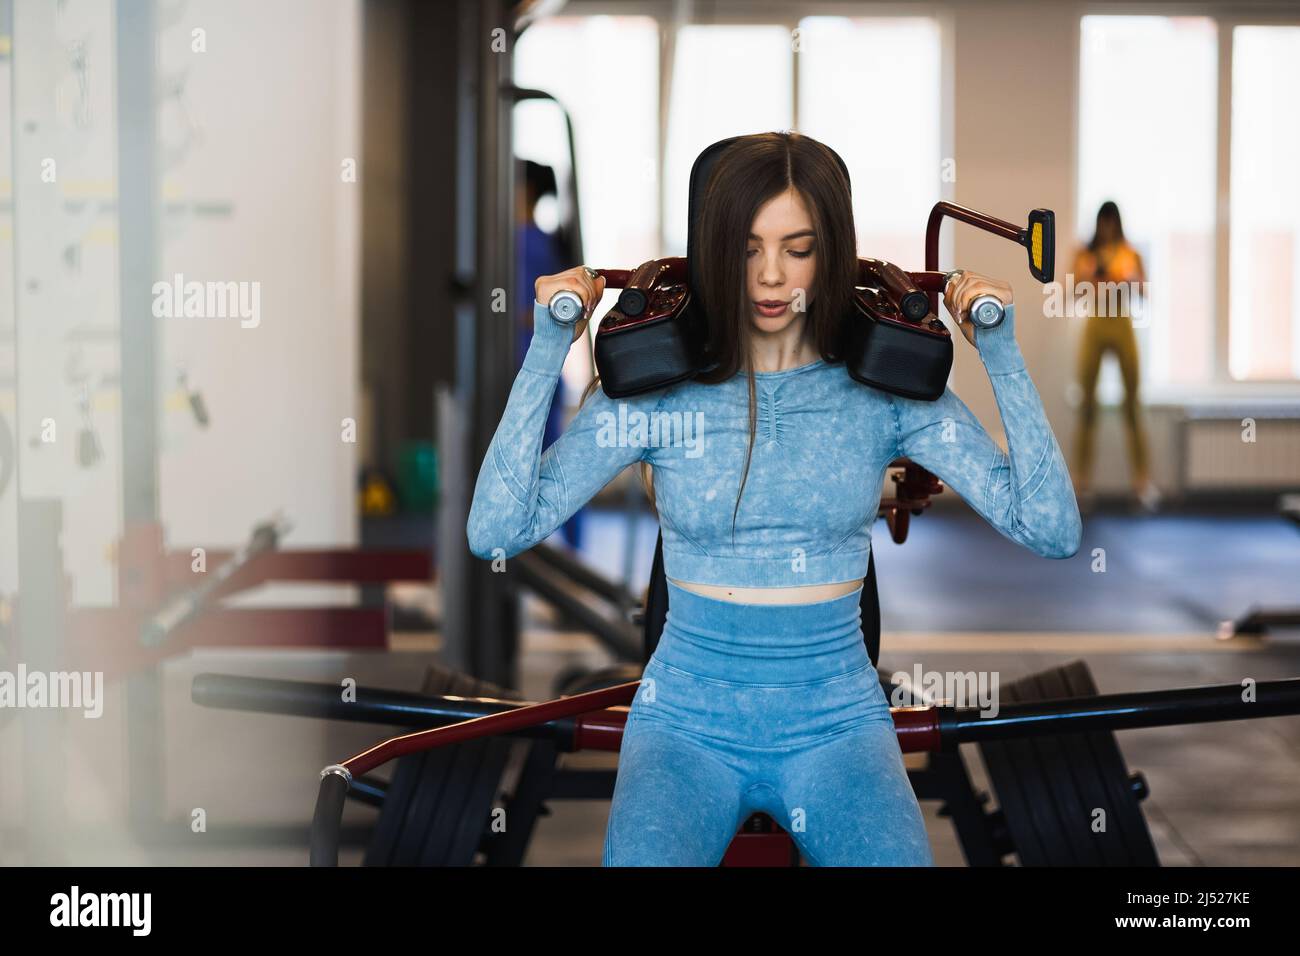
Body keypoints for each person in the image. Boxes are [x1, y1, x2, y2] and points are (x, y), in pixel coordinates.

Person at [468, 131, 1081, 866]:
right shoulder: (659, 388)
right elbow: (495, 532)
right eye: (748, 248)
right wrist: (548, 346)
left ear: (834, 250)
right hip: (684, 727)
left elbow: (1051, 530)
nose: (770, 276)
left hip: (839, 725)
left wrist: (1001, 353)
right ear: (715, 249)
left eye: (798, 248)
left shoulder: (885, 390)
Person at [1071, 200, 1161, 513]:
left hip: (1121, 325)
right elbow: (1074, 291)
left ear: (1117, 222)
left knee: (1133, 403)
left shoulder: (1130, 252)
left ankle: (1142, 482)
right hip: (1096, 325)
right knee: (1086, 404)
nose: (1107, 226)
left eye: (1112, 220)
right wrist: (1092, 278)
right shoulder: (1085, 253)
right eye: (1103, 220)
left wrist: (1126, 281)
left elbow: (1143, 292)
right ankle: (1081, 482)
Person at [515, 158, 585, 549]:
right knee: (553, 471)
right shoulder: (537, 241)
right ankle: (570, 553)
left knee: (547, 474)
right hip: (537, 376)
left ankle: (568, 556)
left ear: (524, 191)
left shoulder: (522, 241)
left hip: (528, 375)